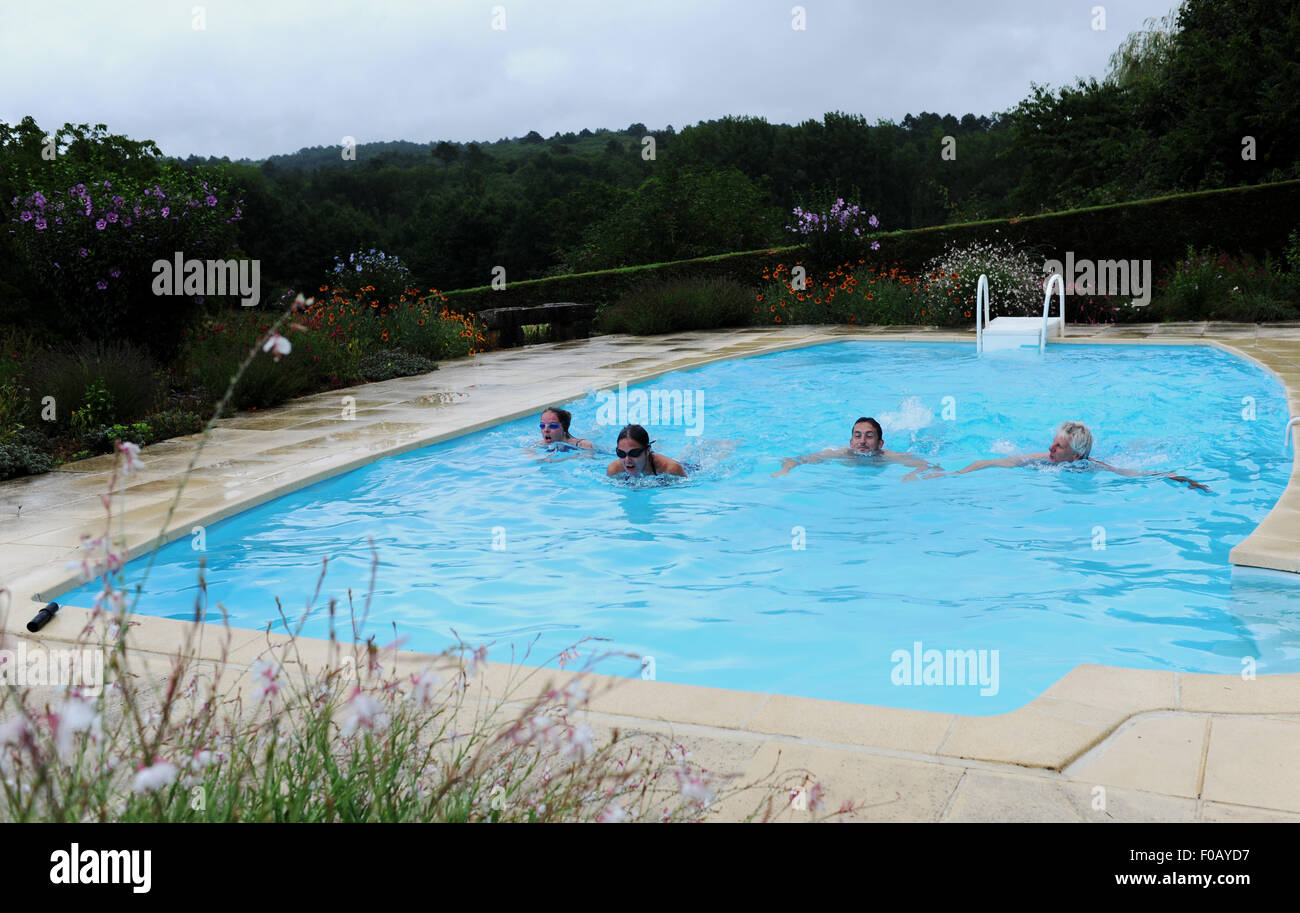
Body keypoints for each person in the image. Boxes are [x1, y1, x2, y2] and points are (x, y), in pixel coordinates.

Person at [945, 420, 1210, 490]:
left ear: (1075, 457)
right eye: (1052, 443)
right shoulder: (1043, 458)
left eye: (1058, 447)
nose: (1050, 449)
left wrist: (1181, 479)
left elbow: (1136, 474)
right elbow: (996, 462)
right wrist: (954, 473)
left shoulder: (1091, 467)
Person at [772, 416, 941, 480]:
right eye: (857, 436)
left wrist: (912, 474)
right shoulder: (840, 454)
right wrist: (785, 470)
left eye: (869, 436)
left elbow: (930, 465)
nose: (862, 441)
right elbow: (796, 459)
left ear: (880, 443)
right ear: (851, 442)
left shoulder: (889, 456)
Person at [606, 424, 687, 478]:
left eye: (634, 453)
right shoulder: (614, 470)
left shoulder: (671, 468)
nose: (627, 460)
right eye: (621, 453)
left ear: (648, 450)